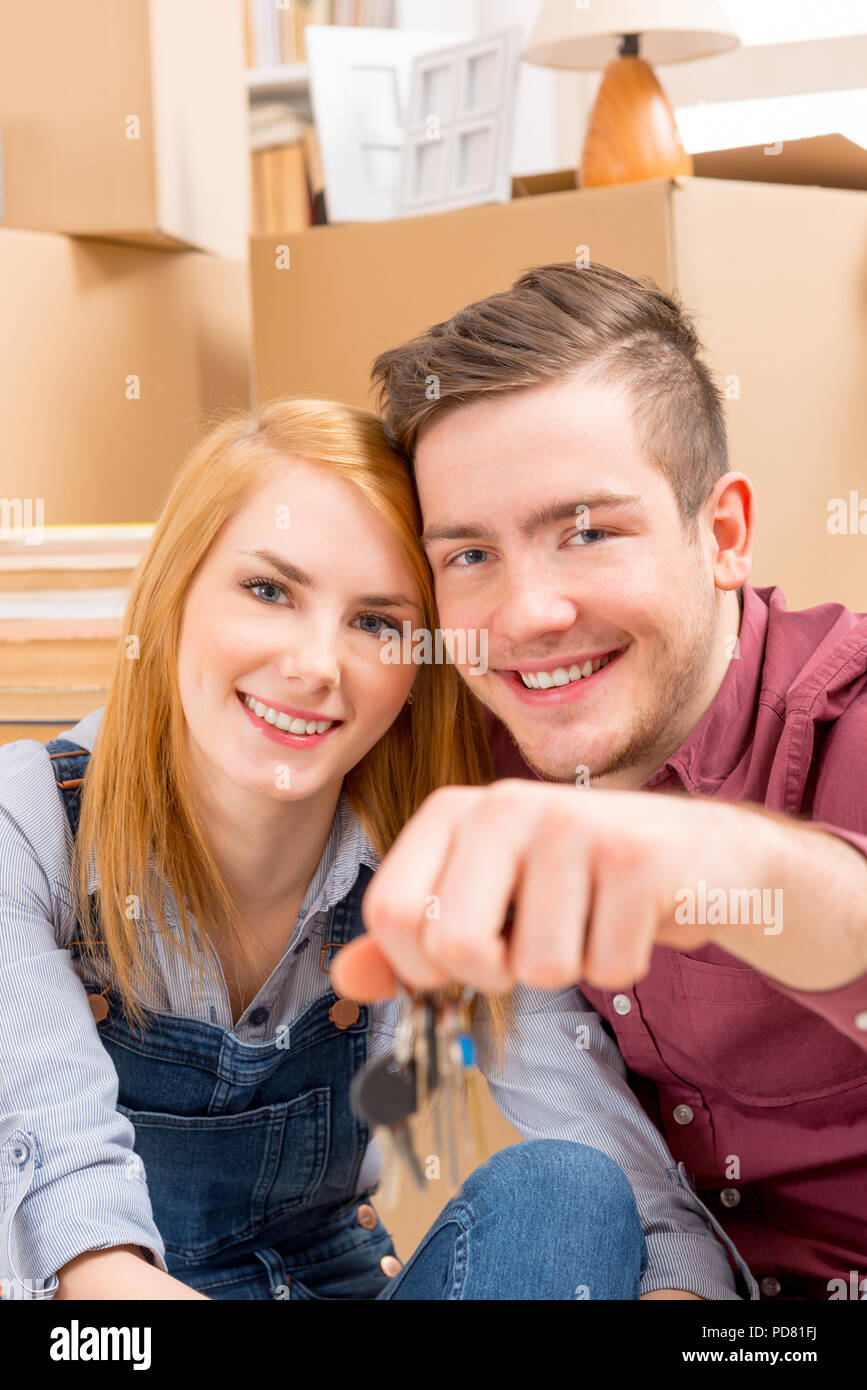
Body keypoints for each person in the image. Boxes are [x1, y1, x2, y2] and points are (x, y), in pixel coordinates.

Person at [0, 398, 744, 1302]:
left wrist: (677, 1297)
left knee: (564, 1191)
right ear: (172, 595)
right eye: (268, 591)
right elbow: (81, 1248)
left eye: (376, 623)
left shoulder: (434, 866)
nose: (317, 665)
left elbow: (632, 1196)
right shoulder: (29, 823)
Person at [333, 261, 867, 1302]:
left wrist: (734, 861)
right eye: (472, 554)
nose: (529, 613)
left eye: (586, 531)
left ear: (721, 536)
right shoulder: (473, 739)